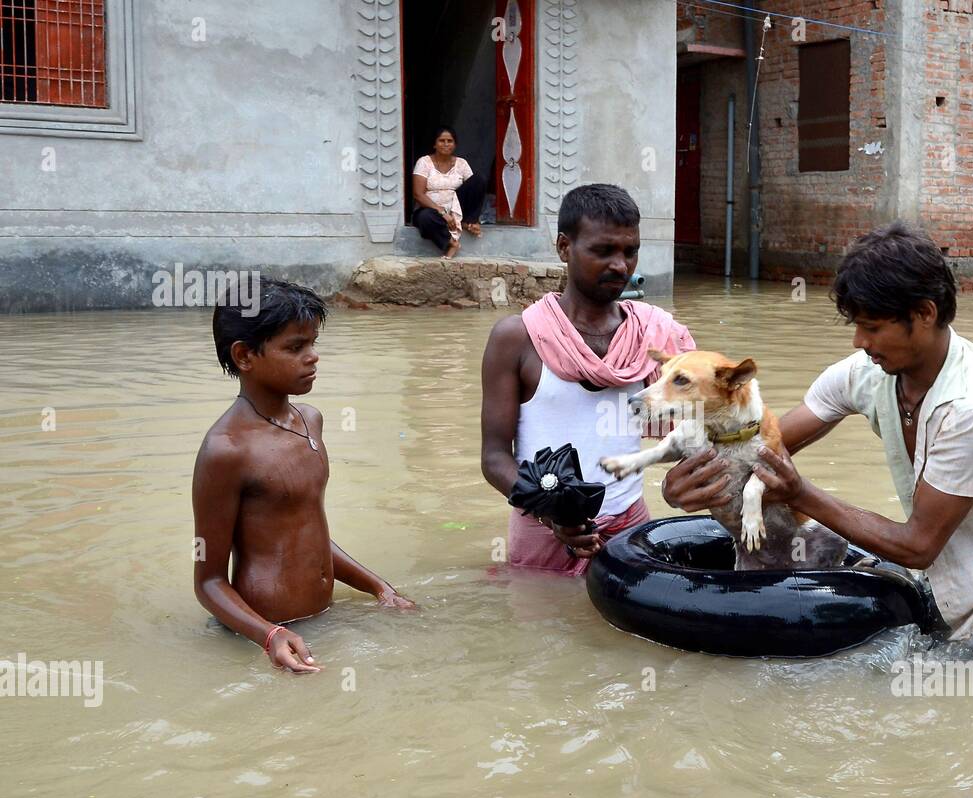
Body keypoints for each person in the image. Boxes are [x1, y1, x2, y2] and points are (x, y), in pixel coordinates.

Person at [663, 223, 973, 657]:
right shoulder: (869, 371)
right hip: (939, 589)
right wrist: (684, 481)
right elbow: (766, 446)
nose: (859, 342)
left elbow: (917, 545)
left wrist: (801, 493)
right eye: (857, 326)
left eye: (871, 327)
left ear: (925, 314)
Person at [193, 281, 414, 673]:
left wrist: (379, 587)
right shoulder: (226, 450)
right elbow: (209, 581)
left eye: (312, 343)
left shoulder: (310, 420)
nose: (312, 357)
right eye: (295, 348)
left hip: (319, 620)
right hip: (263, 636)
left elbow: (307, 533)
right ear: (244, 355)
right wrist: (268, 635)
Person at [480, 184, 696, 575]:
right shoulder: (517, 338)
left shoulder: (653, 335)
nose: (620, 265)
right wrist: (554, 516)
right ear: (564, 247)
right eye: (603, 251)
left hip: (632, 528)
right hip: (541, 530)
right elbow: (494, 458)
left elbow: (700, 429)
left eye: (630, 251)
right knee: (542, 627)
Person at [412, 126, 487, 259]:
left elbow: (473, 189)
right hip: (432, 210)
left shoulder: (461, 163)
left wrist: (473, 216)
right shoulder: (424, 162)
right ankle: (451, 243)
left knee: (479, 180)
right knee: (425, 218)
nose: (446, 144)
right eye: (442, 141)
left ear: (455, 144)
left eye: (450, 141)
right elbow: (418, 194)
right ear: (434, 144)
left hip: (456, 206)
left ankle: (470, 221)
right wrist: (441, 212)